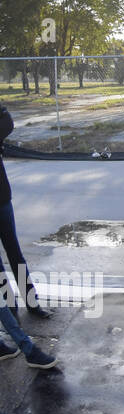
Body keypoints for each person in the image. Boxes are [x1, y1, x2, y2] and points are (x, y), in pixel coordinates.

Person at [0, 104, 54, 322]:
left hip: (2, 199)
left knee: (15, 254)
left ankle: (32, 304)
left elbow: (7, 121)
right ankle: (11, 310)